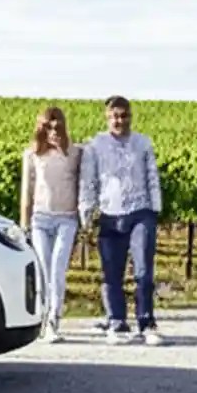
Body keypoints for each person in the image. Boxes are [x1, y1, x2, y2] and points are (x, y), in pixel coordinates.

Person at [77, 95, 165, 346]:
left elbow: (152, 176)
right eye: (114, 116)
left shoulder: (143, 143)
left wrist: (155, 207)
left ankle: (146, 322)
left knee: (144, 270)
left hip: (141, 211)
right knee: (111, 273)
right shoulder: (95, 146)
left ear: (130, 116)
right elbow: (89, 181)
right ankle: (117, 322)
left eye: (124, 115)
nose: (119, 120)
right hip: (110, 213)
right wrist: (86, 210)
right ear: (107, 117)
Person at [20, 105, 82, 343]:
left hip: (67, 218)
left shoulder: (75, 153)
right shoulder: (32, 155)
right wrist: (24, 224)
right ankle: (43, 319)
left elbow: (82, 184)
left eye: (57, 127)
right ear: (41, 129)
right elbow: (27, 191)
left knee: (57, 269)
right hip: (40, 219)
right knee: (43, 270)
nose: (54, 132)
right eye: (48, 128)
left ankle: (54, 320)